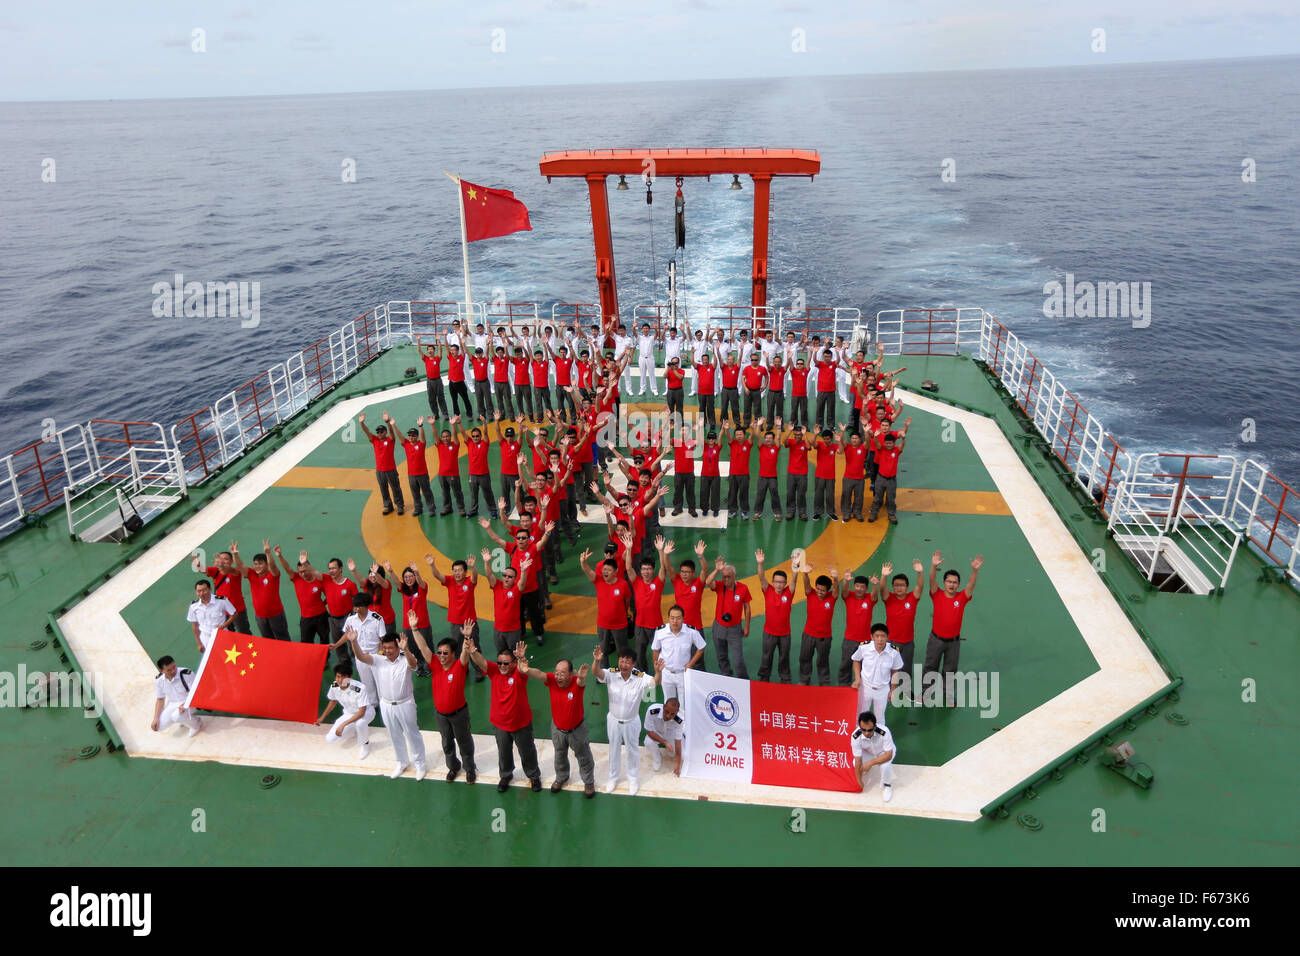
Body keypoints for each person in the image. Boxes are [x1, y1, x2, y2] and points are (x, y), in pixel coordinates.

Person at [347, 630, 427, 780]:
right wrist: (353, 642)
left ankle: (420, 764)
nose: (388, 651)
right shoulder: (378, 659)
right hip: (386, 705)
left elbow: (414, 664)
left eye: (391, 648)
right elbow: (361, 656)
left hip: (405, 704)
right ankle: (402, 762)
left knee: (412, 734)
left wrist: (406, 649)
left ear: (398, 647)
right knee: (394, 734)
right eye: (385, 648)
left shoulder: (405, 659)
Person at [468, 637, 543, 793]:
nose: (502, 666)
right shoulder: (494, 670)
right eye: (500, 662)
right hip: (500, 723)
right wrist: (473, 651)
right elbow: (481, 661)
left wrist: (522, 658)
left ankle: (533, 775)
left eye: (506, 663)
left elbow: (525, 669)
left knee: (527, 751)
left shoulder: (519, 673)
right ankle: (506, 775)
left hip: (521, 723)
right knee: (503, 752)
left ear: (513, 663)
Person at [517, 654, 595, 797]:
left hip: (577, 730)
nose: (558, 676)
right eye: (557, 672)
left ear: (571, 674)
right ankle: (561, 777)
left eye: (562, 673)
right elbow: (540, 674)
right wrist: (526, 670)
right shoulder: (552, 680)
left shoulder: (576, 683)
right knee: (559, 756)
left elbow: (581, 683)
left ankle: (588, 782)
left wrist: (582, 677)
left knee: (584, 757)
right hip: (558, 729)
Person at [593, 644, 663, 796]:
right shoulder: (612, 674)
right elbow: (596, 672)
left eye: (627, 662)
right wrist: (597, 661)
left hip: (631, 721)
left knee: (633, 751)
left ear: (633, 664)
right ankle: (613, 778)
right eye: (621, 661)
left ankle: (633, 779)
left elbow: (655, 683)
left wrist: (658, 672)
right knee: (614, 749)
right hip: (613, 720)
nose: (623, 664)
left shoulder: (640, 677)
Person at [925, 551, 983, 706]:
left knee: (950, 670)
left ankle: (948, 696)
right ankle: (925, 693)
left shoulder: (961, 598)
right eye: (949, 581)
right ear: (944, 582)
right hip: (936, 639)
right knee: (931, 666)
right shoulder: (936, 594)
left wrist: (975, 570)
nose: (952, 584)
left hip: (953, 642)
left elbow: (971, 585)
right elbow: (931, 580)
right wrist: (933, 566)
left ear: (958, 584)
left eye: (955, 582)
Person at [429, 625, 477, 784]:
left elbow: (465, 654)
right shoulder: (435, 664)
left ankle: (469, 769)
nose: (441, 656)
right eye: (439, 652)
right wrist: (414, 629)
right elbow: (423, 648)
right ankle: (453, 767)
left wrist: (466, 638)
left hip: (459, 714)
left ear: (453, 654)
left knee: (464, 743)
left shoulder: (459, 666)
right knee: (446, 743)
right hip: (441, 715)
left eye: (445, 653)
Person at [331, 592, 385, 703]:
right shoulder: (351, 619)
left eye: (360, 606)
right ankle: (373, 703)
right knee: (366, 682)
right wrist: (336, 645)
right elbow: (347, 635)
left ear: (366, 606)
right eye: (355, 606)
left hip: (375, 655)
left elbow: (382, 639)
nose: (357, 609)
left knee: (381, 681)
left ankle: (384, 702)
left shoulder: (377, 619)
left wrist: (380, 656)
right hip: (360, 655)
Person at [231, 539, 290, 641]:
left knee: (283, 639)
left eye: (260, 563)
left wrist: (268, 553)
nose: (257, 566)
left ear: (266, 565)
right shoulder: (252, 574)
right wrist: (235, 555)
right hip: (260, 617)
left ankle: (288, 656)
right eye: (255, 564)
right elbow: (240, 566)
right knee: (267, 640)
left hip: (276, 615)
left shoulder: (273, 575)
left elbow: (273, 565)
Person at [629, 536, 672, 672]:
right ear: (640, 571)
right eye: (643, 569)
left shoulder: (658, 583)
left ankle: (660, 673)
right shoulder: (636, 582)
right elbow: (628, 568)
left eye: (648, 569)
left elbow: (664, 569)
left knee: (659, 652)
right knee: (640, 653)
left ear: (653, 570)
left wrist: (660, 551)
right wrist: (629, 549)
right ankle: (642, 673)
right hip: (640, 625)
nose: (646, 571)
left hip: (656, 626)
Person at [581, 547, 633, 659]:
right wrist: (583, 562)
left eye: (608, 570)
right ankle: (603, 674)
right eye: (604, 569)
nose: (605, 572)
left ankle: (623, 673)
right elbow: (588, 571)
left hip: (620, 624)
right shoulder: (598, 581)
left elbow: (627, 600)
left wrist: (622, 612)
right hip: (603, 624)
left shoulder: (623, 584)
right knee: (603, 652)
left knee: (622, 651)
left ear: (616, 572)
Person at [316, 662, 375, 760]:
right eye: (338, 677)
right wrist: (322, 718)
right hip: (348, 714)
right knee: (330, 739)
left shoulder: (359, 688)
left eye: (343, 677)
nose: (340, 680)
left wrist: (343, 724)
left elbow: (361, 712)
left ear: (350, 677)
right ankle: (354, 731)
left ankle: (365, 745)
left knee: (360, 723)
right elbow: (333, 701)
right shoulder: (334, 685)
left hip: (366, 713)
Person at [704, 557, 752, 678]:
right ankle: (727, 676)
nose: (725, 579)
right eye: (723, 576)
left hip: (734, 629)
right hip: (719, 627)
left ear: (735, 576)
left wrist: (747, 626)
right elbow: (708, 582)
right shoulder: (720, 586)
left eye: (728, 576)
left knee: (738, 660)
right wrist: (716, 570)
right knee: (721, 657)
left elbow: (747, 607)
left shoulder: (743, 588)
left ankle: (744, 680)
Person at [650, 604, 706, 703]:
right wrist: (657, 668)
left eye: (678, 618)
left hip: (683, 674)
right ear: (668, 618)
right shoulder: (660, 632)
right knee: (668, 703)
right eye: (672, 618)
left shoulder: (691, 632)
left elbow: (701, 647)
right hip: (666, 673)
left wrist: (690, 664)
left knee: (684, 704)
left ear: (683, 619)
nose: (675, 621)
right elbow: (655, 650)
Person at [276, 549, 330, 650]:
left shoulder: (319, 579)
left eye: (305, 571)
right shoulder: (297, 578)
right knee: (305, 642)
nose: (303, 574)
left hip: (321, 616)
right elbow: (287, 568)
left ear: (309, 568)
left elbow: (329, 595)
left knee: (324, 639)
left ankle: (324, 660)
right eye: (300, 572)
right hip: (306, 618)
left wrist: (323, 604)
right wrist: (279, 556)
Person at [755, 548, 794, 683]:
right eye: (776, 581)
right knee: (767, 656)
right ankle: (764, 676)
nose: (779, 584)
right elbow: (761, 577)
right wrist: (760, 563)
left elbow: (794, 579)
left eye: (782, 582)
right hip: (769, 633)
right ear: (772, 582)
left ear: (785, 583)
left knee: (784, 656)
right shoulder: (768, 590)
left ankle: (785, 677)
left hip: (785, 633)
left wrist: (795, 566)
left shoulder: (789, 592)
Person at [852, 624, 904, 718]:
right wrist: (857, 678)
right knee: (860, 715)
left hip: (882, 689)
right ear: (872, 637)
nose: (880, 639)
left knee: (879, 718)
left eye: (883, 636)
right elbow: (856, 660)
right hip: (865, 687)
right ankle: (861, 732)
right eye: (877, 636)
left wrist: (893, 690)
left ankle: (878, 732)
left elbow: (895, 671)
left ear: (887, 637)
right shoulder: (864, 647)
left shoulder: (894, 652)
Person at [358, 412, 405, 515]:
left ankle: (400, 505)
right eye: (378, 432)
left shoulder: (390, 440)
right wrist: (362, 423)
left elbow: (392, 432)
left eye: (381, 431)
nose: (379, 433)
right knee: (383, 489)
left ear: (385, 432)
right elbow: (367, 432)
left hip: (391, 469)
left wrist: (387, 422)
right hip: (380, 471)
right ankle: (388, 506)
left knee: (395, 488)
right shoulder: (374, 440)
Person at [867, 417, 913, 524]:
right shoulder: (881, 448)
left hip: (891, 479)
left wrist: (905, 431)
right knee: (877, 496)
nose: (888, 445)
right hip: (880, 474)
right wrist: (875, 436)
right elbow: (876, 443)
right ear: (880, 426)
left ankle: (891, 514)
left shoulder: (896, 450)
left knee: (891, 498)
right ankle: (874, 513)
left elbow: (902, 441)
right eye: (883, 425)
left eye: (890, 443)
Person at [797, 562, 836, 686]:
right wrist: (805, 574)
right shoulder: (811, 594)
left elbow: (837, 590)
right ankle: (804, 680)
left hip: (824, 637)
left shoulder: (832, 598)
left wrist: (835, 578)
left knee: (822, 661)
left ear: (827, 590)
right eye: (818, 588)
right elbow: (806, 584)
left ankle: (824, 682)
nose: (819, 592)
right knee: (804, 658)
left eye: (822, 590)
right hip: (808, 634)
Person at [195, 546, 249, 635]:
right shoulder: (215, 571)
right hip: (222, 611)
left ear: (231, 561)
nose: (222, 561)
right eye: (220, 559)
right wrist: (197, 562)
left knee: (244, 634)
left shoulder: (235, 572)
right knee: (228, 635)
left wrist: (222, 565)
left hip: (237, 610)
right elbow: (202, 569)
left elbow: (229, 569)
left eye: (225, 559)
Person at [837, 570, 877, 685]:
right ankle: (843, 685)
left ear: (866, 589)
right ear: (854, 586)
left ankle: (863, 685)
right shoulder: (849, 596)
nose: (859, 589)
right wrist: (845, 581)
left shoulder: (870, 598)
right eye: (857, 586)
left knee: (865, 665)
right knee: (846, 664)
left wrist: (875, 585)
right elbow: (843, 592)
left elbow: (875, 596)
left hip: (865, 641)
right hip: (849, 639)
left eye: (862, 587)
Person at [457, 417, 499, 519]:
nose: (475, 438)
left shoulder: (485, 443)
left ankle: (493, 510)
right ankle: (473, 510)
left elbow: (485, 433)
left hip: (484, 474)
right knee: (473, 494)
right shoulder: (469, 443)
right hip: (472, 475)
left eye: (477, 436)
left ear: (480, 436)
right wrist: (459, 423)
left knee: (488, 493)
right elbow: (463, 433)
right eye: (474, 436)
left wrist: (484, 422)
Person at [851, 711, 896, 803]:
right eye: (863, 729)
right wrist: (859, 781)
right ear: (859, 727)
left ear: (875, 727)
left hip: (884, 752)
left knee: (885, 766)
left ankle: (887, 786)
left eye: (870, 730)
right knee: (855, 763)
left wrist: (870, 763)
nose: (866, 733)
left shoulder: (884, 732)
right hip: (869, 752)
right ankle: (864, 772)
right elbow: (858, 759)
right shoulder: (855, 736)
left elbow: (888, 755)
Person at [321, 557, 361, 662]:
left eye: (333, 568)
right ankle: (344, 665)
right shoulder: (327, 581)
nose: (331, 571)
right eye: (329, 568)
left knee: (352, 642)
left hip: (347, 618)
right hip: (332, 619)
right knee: (338, 645)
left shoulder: (350, 585)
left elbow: (358, 601)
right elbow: (314, 573)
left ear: (340, 569)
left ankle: (358, 661)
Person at [150, 655, 201, 736]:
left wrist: (185, 704)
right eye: (169, 670)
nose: (173, 671)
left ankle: (196, 725)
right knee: (159, 726)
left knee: (176, 716)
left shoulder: (186, 673)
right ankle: (186, 719)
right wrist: (155, 718)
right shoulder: (158, 681)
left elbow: (196, 692)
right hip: (173, 703)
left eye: (174, 667)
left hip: (190, 702)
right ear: (162, 671)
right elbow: (160, 699)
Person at [397, 416, 436, 517]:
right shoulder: (406, 444)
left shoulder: (421, 444)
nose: (411, 437)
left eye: (413, 435)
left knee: (427, 492)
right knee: (415, 493)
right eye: (409, 435)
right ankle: (418, 508)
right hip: (411, 475)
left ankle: (431, 508)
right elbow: (399, 435)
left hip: (422, 473)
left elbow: (423, 437)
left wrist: (421, 426)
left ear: (417, 436)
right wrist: (393, 425)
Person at [185, 579, 236, 655]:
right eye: (199, 591)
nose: (202, 593)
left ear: (210, 589)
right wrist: (199, 643)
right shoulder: (193, 606)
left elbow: (234, 614)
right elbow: (195, 626)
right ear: (196, 592)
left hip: (222, 635)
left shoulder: (221, 600)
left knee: (230, 659)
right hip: (205, 638)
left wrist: (223, 626)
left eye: (204, 590)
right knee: (214, 661)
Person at [433, 420, 467, 517]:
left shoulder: (455, 445)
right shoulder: (439, 445)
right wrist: (432, 425)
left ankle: (461, 508)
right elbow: (435, 435)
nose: (445, 438)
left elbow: (456, 435)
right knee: (445, 492)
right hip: (442, 475)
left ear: (450, 437)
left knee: (457, 492)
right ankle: (447, 507)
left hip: (453, 474)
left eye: (447, 436)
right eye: (443, 437)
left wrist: (453, 425)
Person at [643, 697, 684, 776]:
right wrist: (665, 742)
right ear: (664, 706)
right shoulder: (652, 711)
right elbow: (649, 731)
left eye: (672, 714)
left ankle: (672, 749)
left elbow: (678, 743)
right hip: (656, 732)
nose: (668, 716)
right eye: (666, 711)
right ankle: (657, 757)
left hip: (670, 733)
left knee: (677, 755)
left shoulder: (679, 720)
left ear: (677, 712)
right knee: (648, 742)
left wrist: (678, 765)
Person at [812, 425, 845, 521]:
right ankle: (818, 512)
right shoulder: (820, 445)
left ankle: (831, 512)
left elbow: (841, 451)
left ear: (831, 439)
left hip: (830, 476)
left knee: (830, 495)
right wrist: (815, 434)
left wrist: (839, 440)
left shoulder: (834, 446)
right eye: (825, 439)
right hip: (819, 475)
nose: (826, 441)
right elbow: (813, 444)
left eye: (828, 439)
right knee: (818, 495)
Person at [751, 422, 781, 521]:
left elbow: (778, 437)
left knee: (774, 495)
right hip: (762, 477)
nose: (768, 439)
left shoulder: (776, 448)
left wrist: (778, 427)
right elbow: (758, 436)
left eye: (770, 438)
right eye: (766, 438)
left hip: (772, 477)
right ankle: (757, 512)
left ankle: (777, 513)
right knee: (760, 495)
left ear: (773, 439)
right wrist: (759, 426)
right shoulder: (761, 447)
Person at [783, 424, 813, 521]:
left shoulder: (805, 442)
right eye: (795, 435)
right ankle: (790, 511)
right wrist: (789, 431)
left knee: (801, 494)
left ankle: (802, 512)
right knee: (790, 493)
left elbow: (809, 447)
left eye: (799, 435)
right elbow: (784, 442)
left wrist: (805, 434)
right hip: (791, 473)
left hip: (802, 473)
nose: (797, 437)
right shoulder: (791, 442)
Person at [840, 429, 869, 522]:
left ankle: (857, 512)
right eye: (852, 438)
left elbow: (868, 442)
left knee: (859, 497)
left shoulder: (863, 447)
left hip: (860, 478)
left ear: (860, 439)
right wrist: (842, 431)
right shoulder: (847, 446)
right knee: (846, 495)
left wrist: (866, 432)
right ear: (850, 439)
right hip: (848, 477)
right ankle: (846, 513)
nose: (854, 440)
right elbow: (841, 441)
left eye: (856, 438)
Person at [725, 423, 753, 520]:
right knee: (732, 493)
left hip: (744, 475)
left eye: (741, 434)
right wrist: (727, 429)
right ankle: (733, 510)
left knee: (744, 493)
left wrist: (753, 429)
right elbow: (728, 437)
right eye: (737, 435)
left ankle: (744, 511)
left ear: (744, 435)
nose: (739, 436)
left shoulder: (748, 444)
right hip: (733, 474)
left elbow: (752, 437)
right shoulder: (733, 443)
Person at [418, 341, 451, 421]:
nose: (430, 351)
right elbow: (419, 350)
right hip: (429, 381)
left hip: (438, 381)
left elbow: (440, 350)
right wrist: (418, 340)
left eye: (431, 349)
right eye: (428, 349)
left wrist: (439, 341)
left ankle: (445, 414)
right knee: (431, 399)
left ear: (434, 350)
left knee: (441, 398)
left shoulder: (437, 358)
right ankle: (435, 414)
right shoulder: (426, 359)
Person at [446, 343, 472, 418]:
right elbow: (447, 348)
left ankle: (469, 414)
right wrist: (444, 336)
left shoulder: (461, 357)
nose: (452, 351)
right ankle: (456, 414)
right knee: (454, 400)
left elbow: (463, 351)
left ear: (458, 351)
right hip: (451, 383)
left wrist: (460, 339)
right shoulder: (450, 357)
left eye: (454, 350)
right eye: (451, 350)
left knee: (465, 399)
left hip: (460, 383)